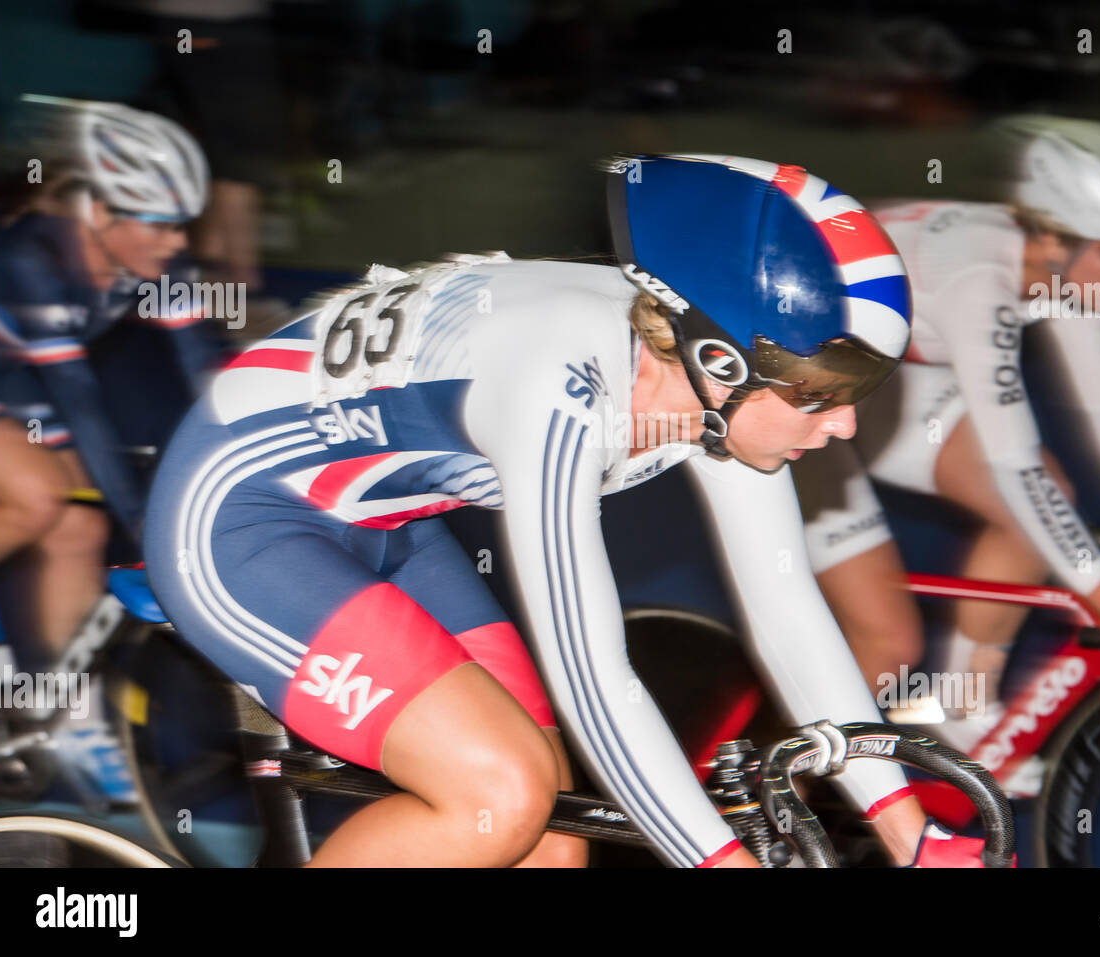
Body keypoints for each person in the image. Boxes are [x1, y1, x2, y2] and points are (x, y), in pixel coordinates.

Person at [142, 153, 989, 866]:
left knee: (553, 838)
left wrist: (911, 833)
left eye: (857, 392)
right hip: (241, 513)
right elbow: (594, 678)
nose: (844, 423)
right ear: (718, 359)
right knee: (502, 794)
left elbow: (786, 609)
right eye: (818, 392)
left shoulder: (703, 381)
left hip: (384, 520)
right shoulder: (559, 388)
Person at [791, 116, 1100, 750]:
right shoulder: (980, 284)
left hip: (889, 381)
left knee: (1041, 498)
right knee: (889, 645)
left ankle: (961, 706)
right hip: (798, 399)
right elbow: (1010, 461)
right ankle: (769, 800)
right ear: (1054, 239)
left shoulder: (1057, 264)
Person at [0, 96, 219, 799]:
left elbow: (206, 379)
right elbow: (81, 404)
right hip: (16, 385)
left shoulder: (163, 268)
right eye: (160, 224)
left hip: (4, 379)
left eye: (184, 224)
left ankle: (61, 714)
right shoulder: (31, 258)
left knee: (80, 527)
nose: (176, 243)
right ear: (97, 211)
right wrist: (148, 524)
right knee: (38, 494)